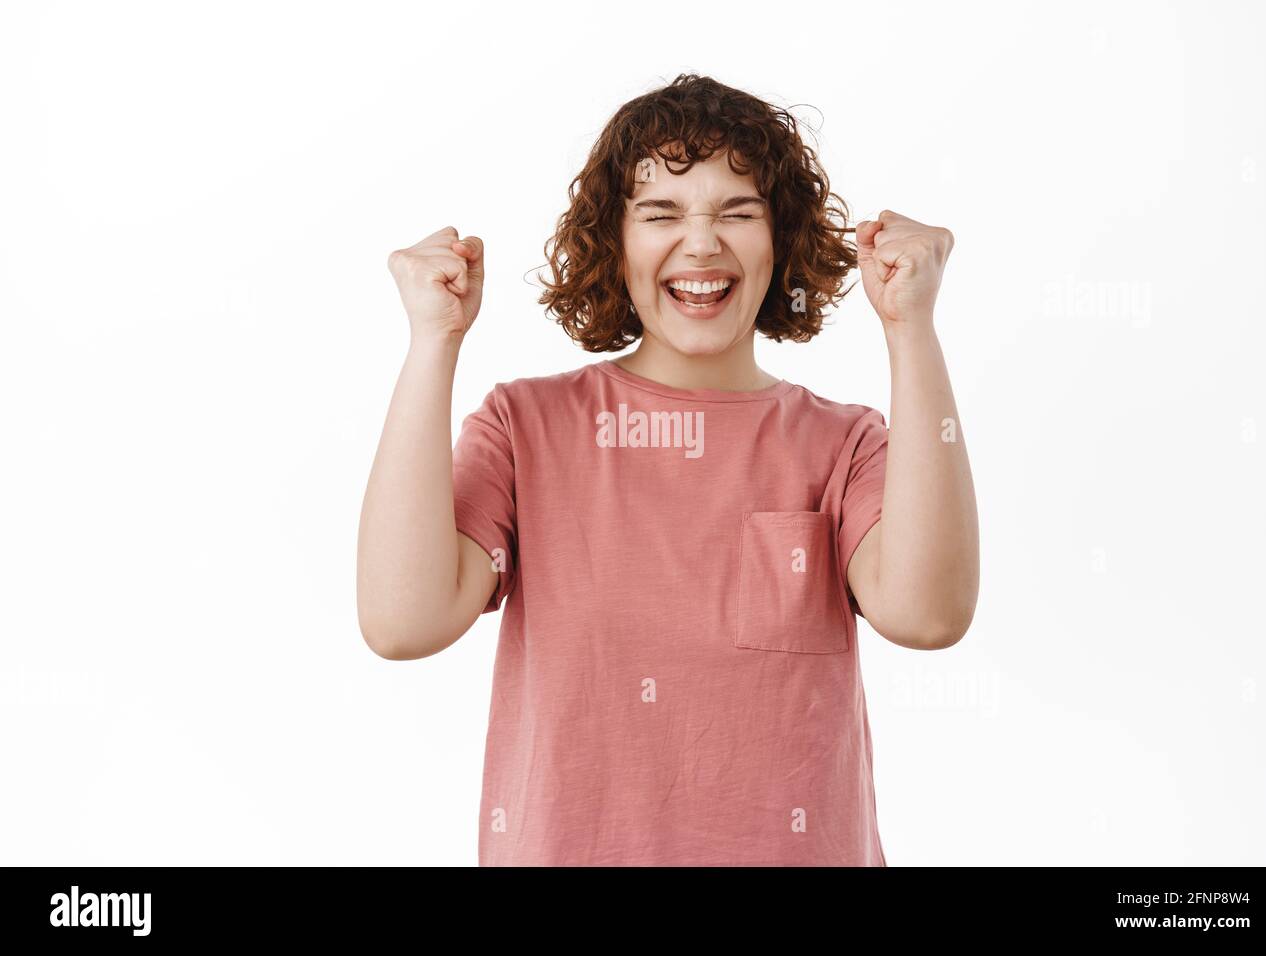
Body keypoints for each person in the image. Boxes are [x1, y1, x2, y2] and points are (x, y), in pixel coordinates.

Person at [357, 74, 979, 866]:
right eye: (661, 213)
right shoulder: (526, 428)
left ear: (781, 236)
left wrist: (911, 330)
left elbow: (929, 615)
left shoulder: (845, 444)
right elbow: (401, 622)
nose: (702, 243)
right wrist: (433, 342)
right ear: (615, 243)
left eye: (738, 212)